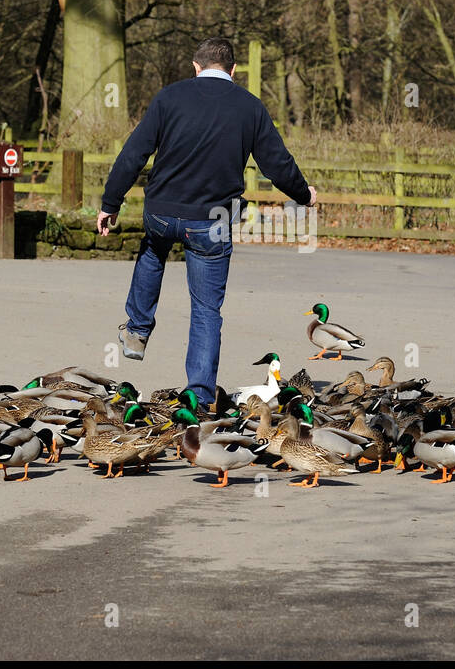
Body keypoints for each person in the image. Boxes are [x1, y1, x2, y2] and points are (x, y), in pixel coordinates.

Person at [98, 37, 317, 402]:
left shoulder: (169, 98)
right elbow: (276, 163)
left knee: (153, 251)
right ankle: (199, 394)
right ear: (233, 71)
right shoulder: (250, 107)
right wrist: (303, 193)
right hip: (211, 221)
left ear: (195, 67)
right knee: (205, 310)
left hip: (162, 212)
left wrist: (110, 203)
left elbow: (133, 153)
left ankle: (137, 330)